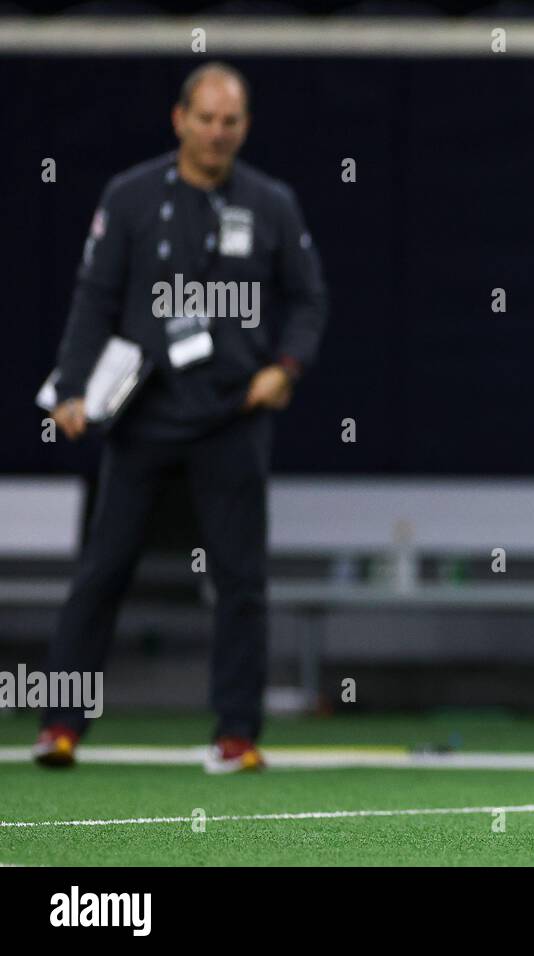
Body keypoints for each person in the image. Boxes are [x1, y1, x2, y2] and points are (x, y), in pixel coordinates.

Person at [35, 61, 328, 773]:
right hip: (142, 415)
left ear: (244, 127)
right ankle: (61, 726)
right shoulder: (130, 197)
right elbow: (94, 299)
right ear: (180, 120)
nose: (218, 132)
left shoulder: (270, 203)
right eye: (206, 119)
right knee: (102, 571)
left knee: (240, 579)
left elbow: (308, 300)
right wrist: (71, 390)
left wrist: (283, 370)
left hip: (232, 415)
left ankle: (235, 734)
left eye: (231, 121)